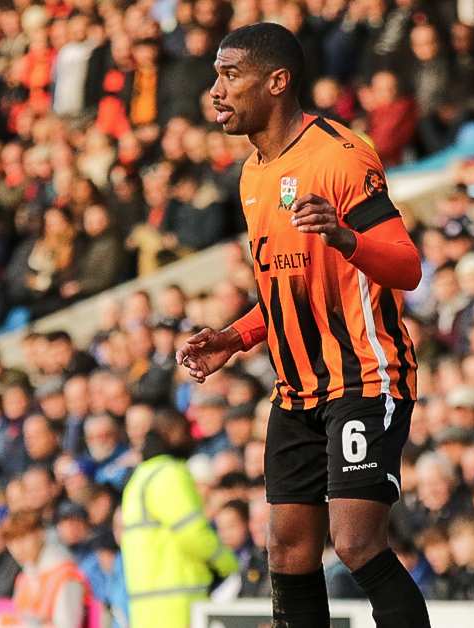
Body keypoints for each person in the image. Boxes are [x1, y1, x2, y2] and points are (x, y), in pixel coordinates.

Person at [180, 23, 427, 628]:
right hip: (297, 391)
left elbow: (408, 266)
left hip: (364, 377)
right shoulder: (252, 173)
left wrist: (346, 236)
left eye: (230, 74)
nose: (215, 89)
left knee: (355, 542)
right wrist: (234, 338)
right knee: (286, 550)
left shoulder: (340, 156)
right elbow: (291, 288)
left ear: (277, 80)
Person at [120, 409, 238, 628]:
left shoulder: (140, 477)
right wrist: (230, 565)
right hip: (179, 608)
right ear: (173, 433)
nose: (192, 439)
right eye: (187, 432)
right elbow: (192, 534)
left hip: (146, 610)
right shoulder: (170, 474)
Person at [0, 509, 90, 628]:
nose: (17, 549)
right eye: (11, 542)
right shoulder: (25, 577)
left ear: (40, 533)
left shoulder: (66, 576)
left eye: (23, 538)